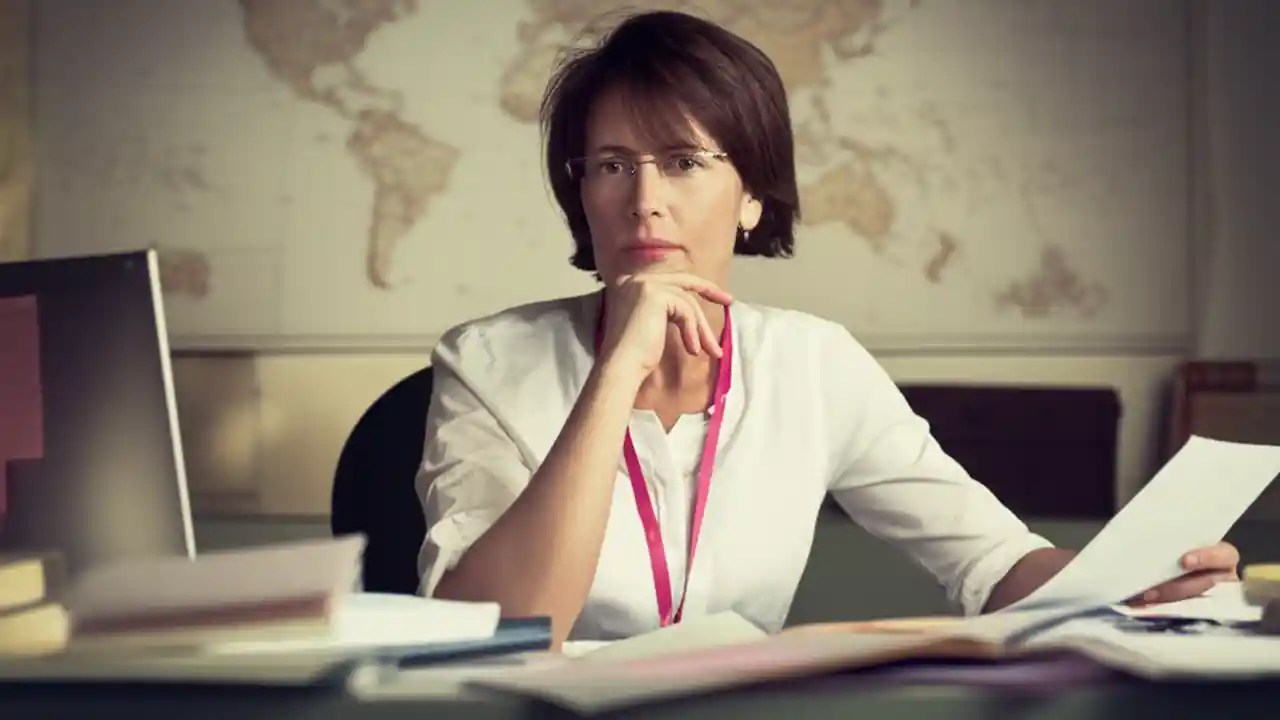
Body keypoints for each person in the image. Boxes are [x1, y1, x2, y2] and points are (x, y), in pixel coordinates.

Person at [414, 10, 1238, 644]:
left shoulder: (812, 363)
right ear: (582, 192)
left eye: (684, 161)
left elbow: (993, 562)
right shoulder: (486, 363)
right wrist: (614, 376)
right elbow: (492, 632)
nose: (644, 198)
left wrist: (1133, 581)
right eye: (611, 164)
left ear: (750, 197)